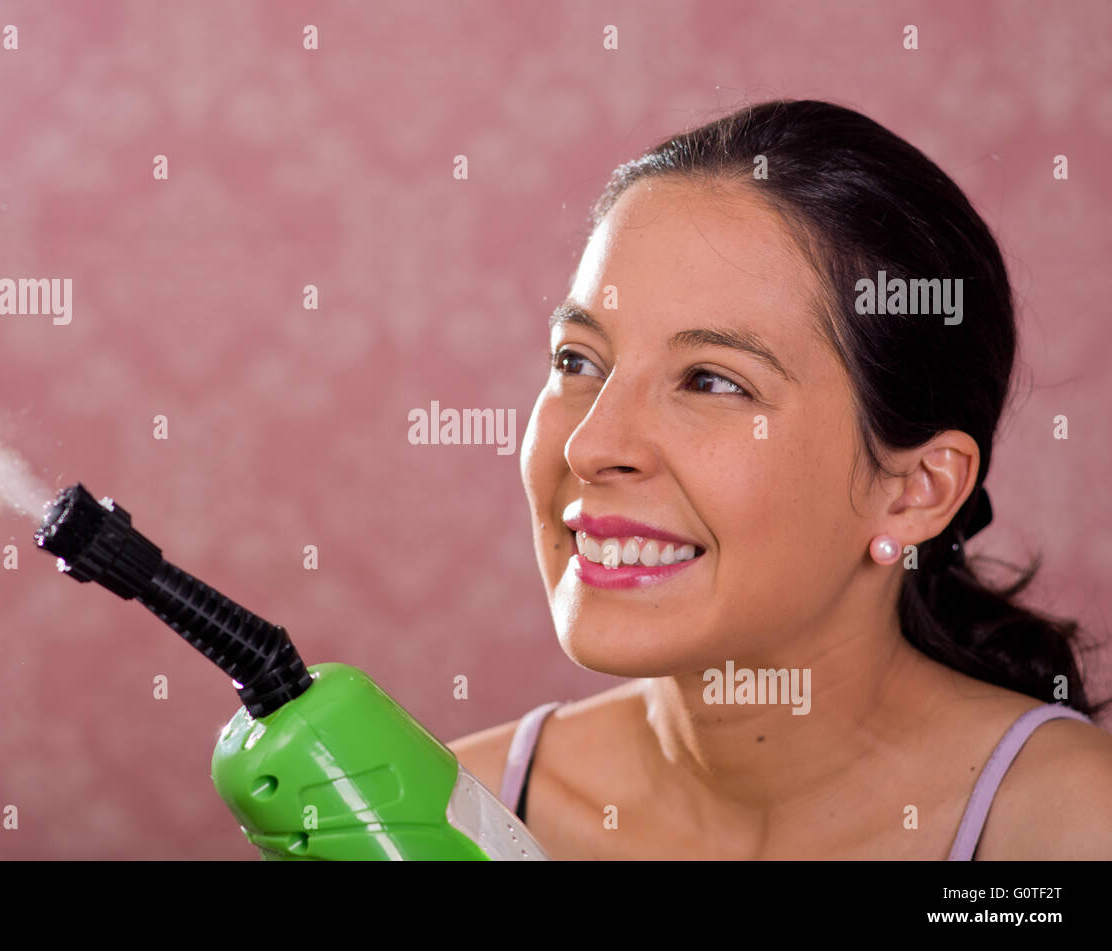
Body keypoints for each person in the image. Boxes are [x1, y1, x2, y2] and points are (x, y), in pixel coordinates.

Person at [448, 99, 1112, 860]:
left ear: (917, 488)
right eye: (578, 360)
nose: (592, 445)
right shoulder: (451, 814)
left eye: (712, 382)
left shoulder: (1065, 833)